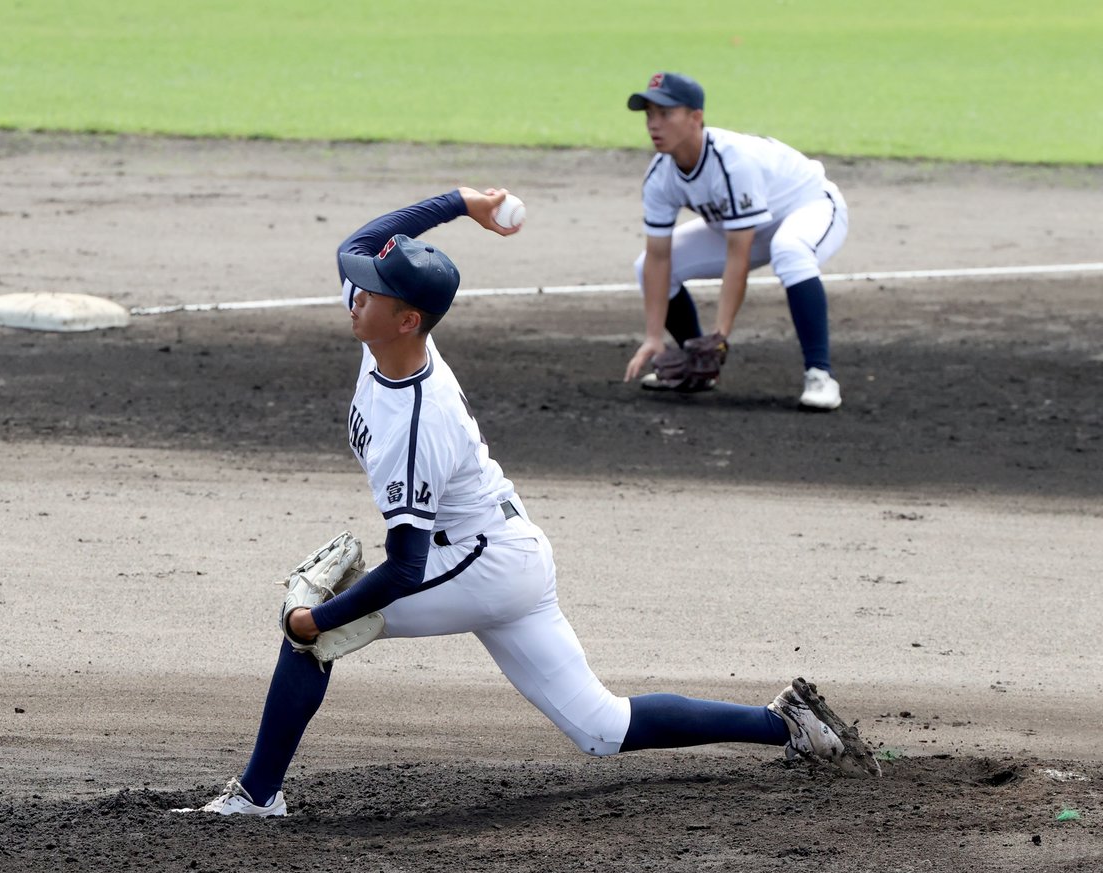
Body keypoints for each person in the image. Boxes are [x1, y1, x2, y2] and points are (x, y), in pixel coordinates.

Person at [176, 187, 878, 817]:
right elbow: (354, 246)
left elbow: (405, 570)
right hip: (503, 550)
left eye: (370, 292)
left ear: (408, 317)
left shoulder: (418, 425)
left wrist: (312, 618)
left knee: (317, 640)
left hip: (483, 562)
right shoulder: (384, 333)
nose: (353, 293)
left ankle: (257, 797)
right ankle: (786, 724)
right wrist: (461, 201)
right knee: (602, 728)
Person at [622, 72, 849, 410]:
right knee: (645, 267)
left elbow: (737, 257)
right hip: (745, 226)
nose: (654, 124)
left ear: (695, 118)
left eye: (665, 113)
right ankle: (697, 367)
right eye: (649, 115)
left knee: (790, 250)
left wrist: (721, 336)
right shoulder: (660, 175)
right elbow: (658, 257)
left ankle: (820, 375)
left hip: (809, 206)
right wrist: (654, 336)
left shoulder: (732, 162)